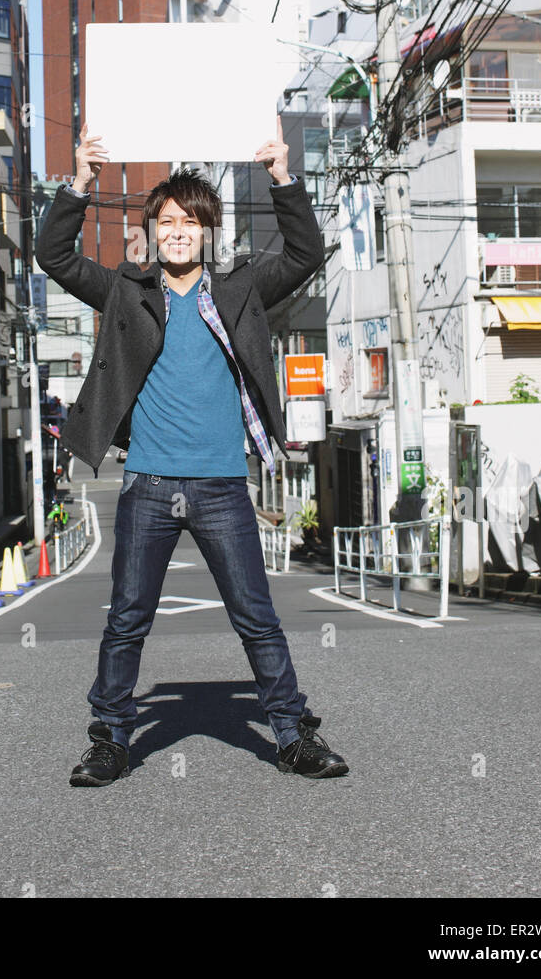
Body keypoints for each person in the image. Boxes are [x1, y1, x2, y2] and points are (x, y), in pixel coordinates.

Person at [35, 118, 349, 787]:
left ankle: (292, 735)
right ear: (152, 231)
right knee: (126, 621)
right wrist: (80, 185)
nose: (177, 231)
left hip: (221, 487)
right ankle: (111, 739)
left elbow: (304, 256)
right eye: (167, 221)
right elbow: (55, 258)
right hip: (147, 484)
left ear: (206, 231)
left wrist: (282, 179)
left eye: (189, 222)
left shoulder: (237, 290)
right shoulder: (128, 290)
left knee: (257, 618)